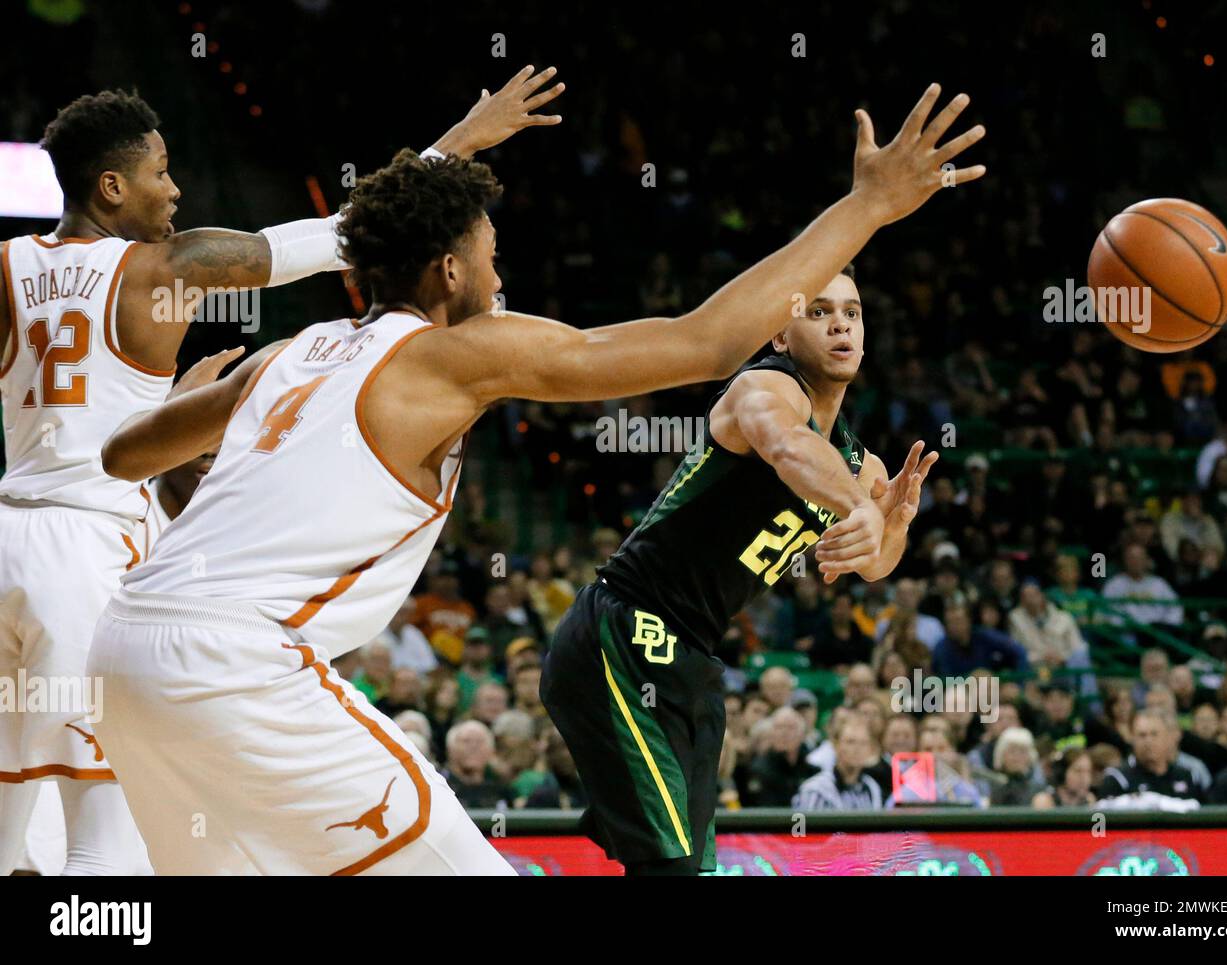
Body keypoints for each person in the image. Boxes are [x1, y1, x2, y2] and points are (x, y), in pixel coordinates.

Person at [86, 84, 986, 875]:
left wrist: (208, 403)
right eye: (489, 253)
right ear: (449, 271)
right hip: (234, 662)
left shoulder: (289, 354)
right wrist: (864, 207)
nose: (500, 272)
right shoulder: (454, 354)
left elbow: (123, 455)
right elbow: (707, 340)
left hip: (121, 652)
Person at [0, 75, 553, 877]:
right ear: (111, 185)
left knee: (16, 814)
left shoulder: (7, 265)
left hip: (11, 528)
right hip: (90, 545)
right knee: (103, 833)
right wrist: (459, 140)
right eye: (159, 172)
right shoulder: (166, 268)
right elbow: (340, 235)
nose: (175, 187)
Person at [541, 92, 985, 868]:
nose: (842, 324)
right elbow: (787, 449)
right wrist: (861, 507)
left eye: (852, 312)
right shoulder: (761, 389)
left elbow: (865, 564)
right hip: (623, 629)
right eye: (821, 310)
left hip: (695, 661)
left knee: (692, 863)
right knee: (674, 869)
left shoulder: (863, 462)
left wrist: (894, 522)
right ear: (783, 329)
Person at [792, 713, 884, 810]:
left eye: (863, 743)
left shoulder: (871, 787)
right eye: (850, 742)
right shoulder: (815, 789)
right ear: (836, 746)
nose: (857, 749)